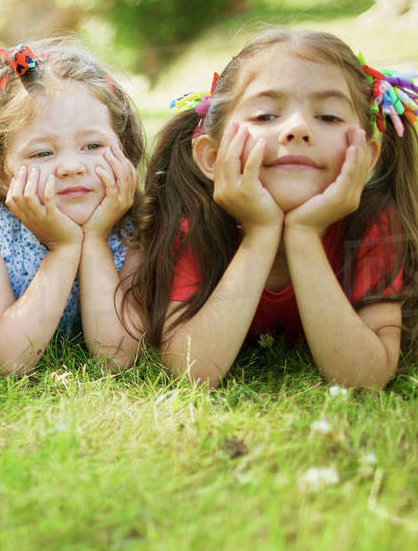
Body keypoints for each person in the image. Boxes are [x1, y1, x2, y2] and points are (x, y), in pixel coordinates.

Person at [128, 28, 418, 388]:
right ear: (212, 156)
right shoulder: (196, 218)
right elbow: (193, 371)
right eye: (266, 116)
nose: (297, 129)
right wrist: (260, 232)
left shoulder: (374, 222)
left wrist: (304, 235)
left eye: (328, 116)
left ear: (367, 158)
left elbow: (364, 378)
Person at [0, 39, 145, 374]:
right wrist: (64, 248)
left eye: (93, 145)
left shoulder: (135, 228)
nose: (71, 167)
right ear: (1, 172)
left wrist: (95, 239)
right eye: (42, 153)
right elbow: (9, 360)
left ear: (126, 151)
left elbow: (117, 358)